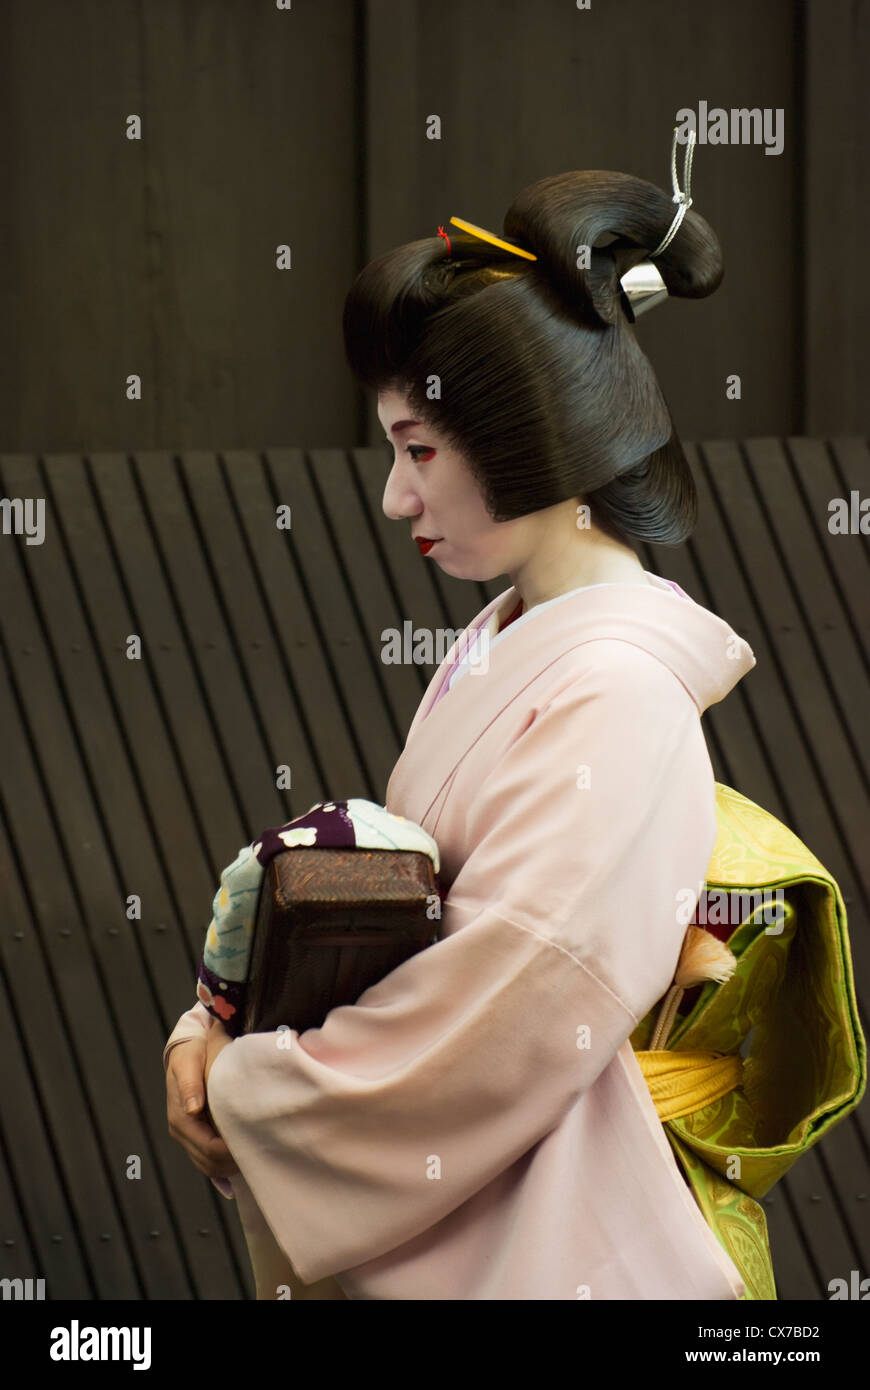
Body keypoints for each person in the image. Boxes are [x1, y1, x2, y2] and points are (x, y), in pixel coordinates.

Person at [165, 137, 761, 1299]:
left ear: (540, 437)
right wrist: (212, 1021)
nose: (396, 497)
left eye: (418, 450)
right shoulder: (506, 646)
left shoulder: (619, 692)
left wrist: (251, 1081)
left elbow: (508, 1002)